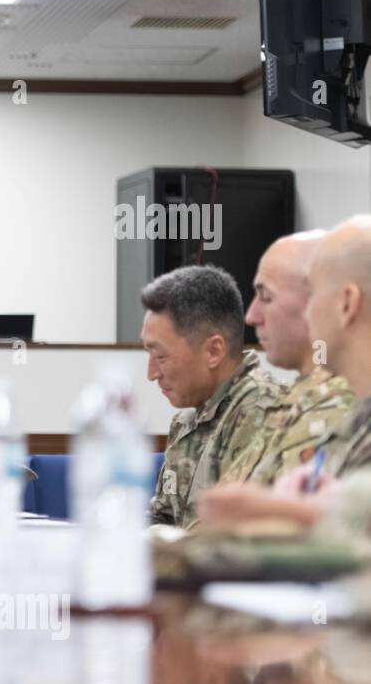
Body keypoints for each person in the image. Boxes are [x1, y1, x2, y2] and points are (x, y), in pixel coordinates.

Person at [199, 215, 371, 529]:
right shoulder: (359, 417)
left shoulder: (340, 406)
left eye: (315, 293)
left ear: (347, 303)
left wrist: (286, 512)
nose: (250, 316)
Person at [142, 264, 280, 527]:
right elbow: (163, 517)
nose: (151, 373)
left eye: (160, 356)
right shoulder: (187, 420)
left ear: (214, 351)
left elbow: (226, 537)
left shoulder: (263, 411)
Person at [217, 230, 354, 485]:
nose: (251, 316)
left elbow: (264, 521)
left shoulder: (334, 405)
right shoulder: (297, 398)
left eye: (266, 297)